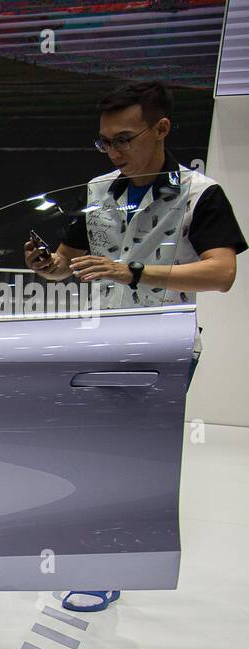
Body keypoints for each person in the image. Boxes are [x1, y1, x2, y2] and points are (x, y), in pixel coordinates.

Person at [24, 80, 246, 613]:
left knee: (136, 463)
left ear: (161, 129)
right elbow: (66, 262)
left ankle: (112, 565)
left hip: (164, 349)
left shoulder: (201, 193)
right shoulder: (99, 191)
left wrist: (134, 272)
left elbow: (222, 273)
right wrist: (48, 267)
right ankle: (96, 554)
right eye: (105, 142)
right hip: (100, 343)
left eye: (123, 139)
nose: (114, 151)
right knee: (94, 457)